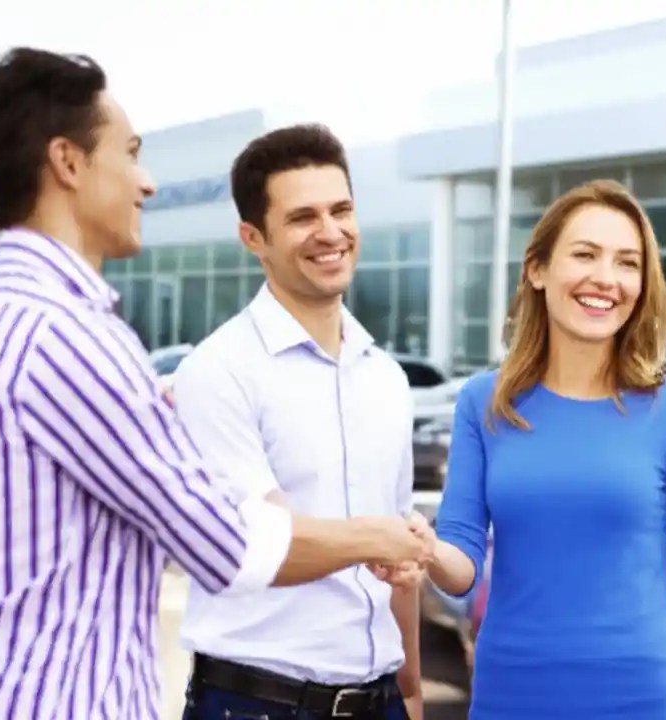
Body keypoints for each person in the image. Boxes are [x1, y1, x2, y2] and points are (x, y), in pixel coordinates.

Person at [0, 48, 434, 719]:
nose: (146, 183)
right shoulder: (70, 339)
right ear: (68, 163)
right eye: (129, 153)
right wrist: (383, 537)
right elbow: (229, 543)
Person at [419, 180, 666, 719]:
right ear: (537, 270)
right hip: (510, 696)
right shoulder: (483, 402)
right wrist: (419, 547)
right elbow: (461, 558)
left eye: (626, 262)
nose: (606, 279)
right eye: (585, 254)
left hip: (642, 700)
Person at [171, 124, 424, 720]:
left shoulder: (386, 378)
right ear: (253, 237)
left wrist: (411, 693)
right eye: (303, 217)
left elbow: (400, 568)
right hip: (257, 704)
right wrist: (378, 538)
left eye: (342, 209)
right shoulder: (217, 372)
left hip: (381, 699)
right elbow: (260, 546)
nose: (331, 232)